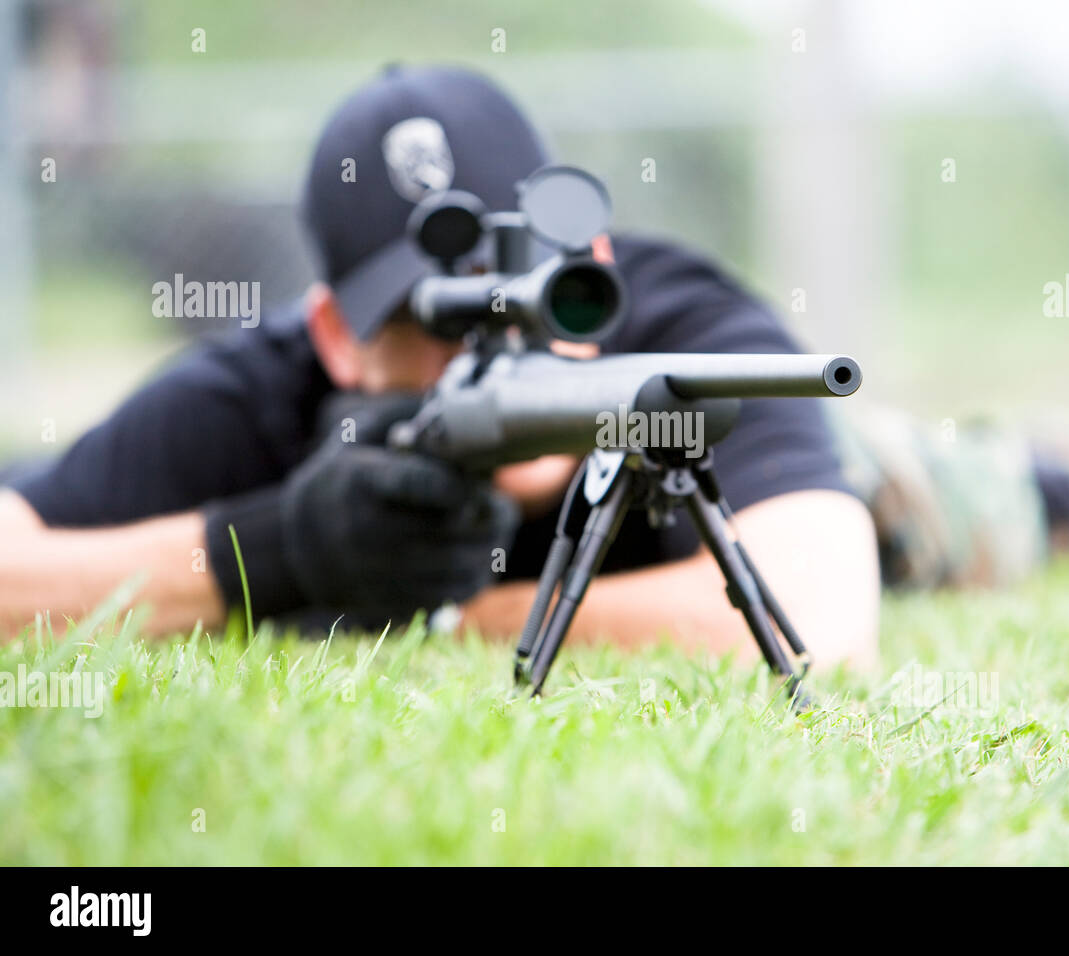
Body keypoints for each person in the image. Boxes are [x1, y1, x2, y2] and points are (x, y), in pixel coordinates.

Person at [0, 65, 879, 671]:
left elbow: (823, 615)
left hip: (878, 482)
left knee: (948, 488)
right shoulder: (263, 393)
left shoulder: (683, 331)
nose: (495, 340)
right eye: (435, 318)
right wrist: (282, 553)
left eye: (522, 291)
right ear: (337, 337)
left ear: (592, 267)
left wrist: (451, 620)